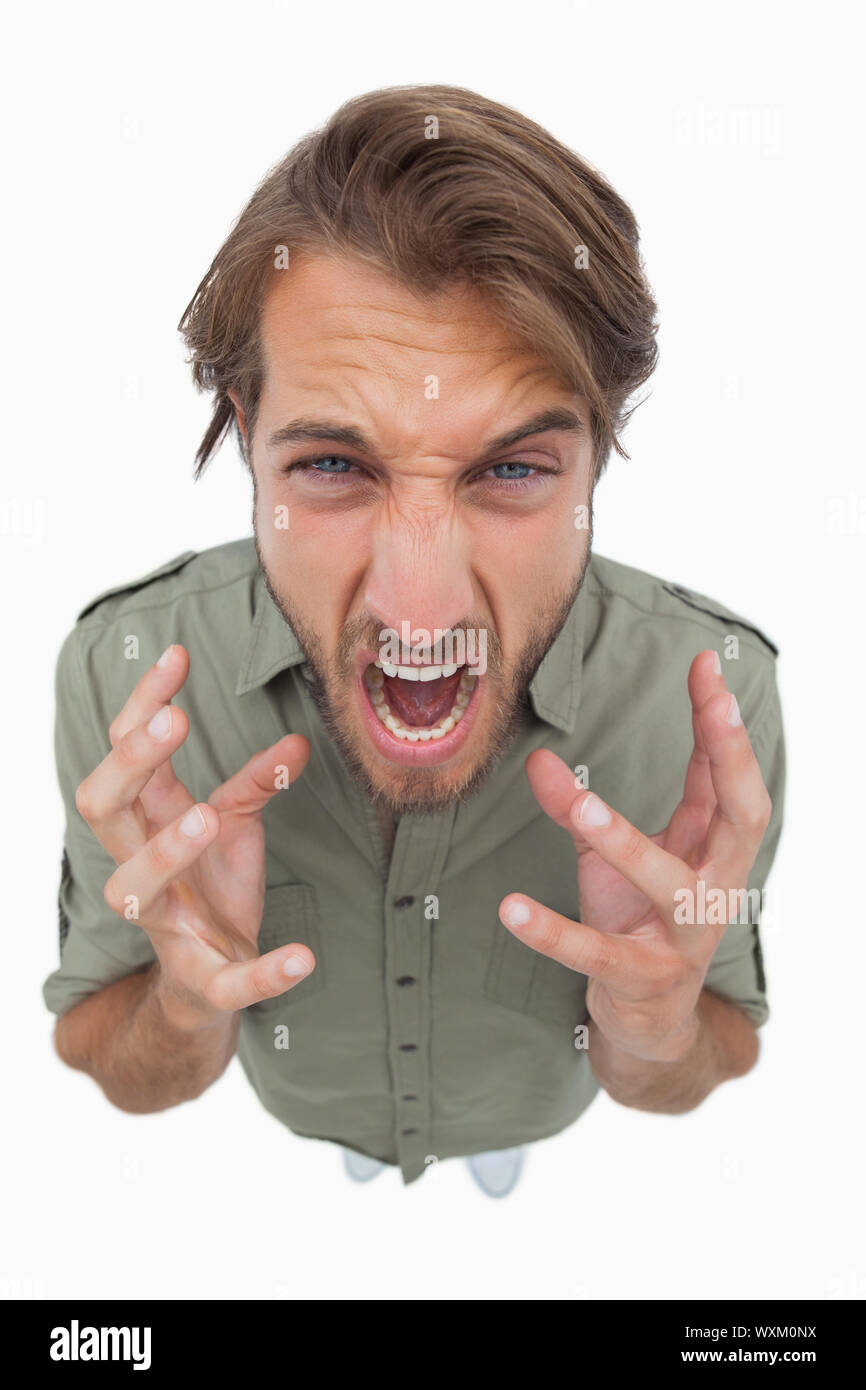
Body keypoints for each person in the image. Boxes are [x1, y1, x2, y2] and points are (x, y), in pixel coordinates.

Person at [45, 85, 784, 1198]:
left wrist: (651, 1027)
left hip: (532, 1102)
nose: (420, 605)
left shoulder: (710, 697)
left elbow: (714, 1048)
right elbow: (109, 1055)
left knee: (507, 1140)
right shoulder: (124, 673)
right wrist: (186, 1004)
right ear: (247, 439)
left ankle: (488, 1142)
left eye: (511, 470)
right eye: (335, 467)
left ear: (599, 450)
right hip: (312, 1107)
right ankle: (364, 1139)